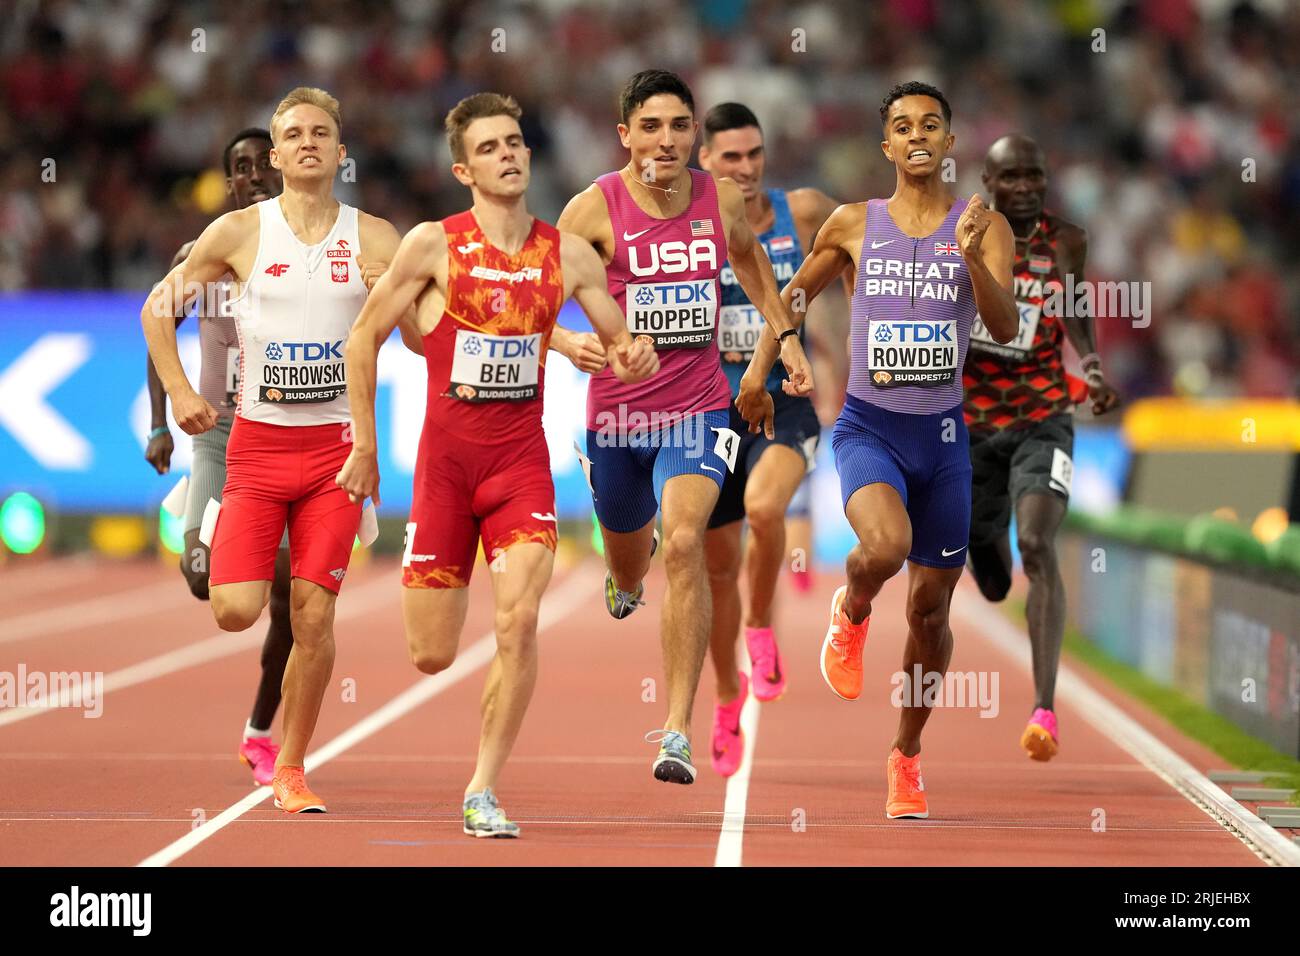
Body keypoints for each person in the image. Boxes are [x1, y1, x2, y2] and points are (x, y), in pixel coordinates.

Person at [336, 93, 658, 837]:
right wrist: (363, 444)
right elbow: (360, 340)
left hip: (520, 467)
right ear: (462, 169)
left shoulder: (569, 255)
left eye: (515, 142)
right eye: (490, 148)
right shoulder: (431, 245)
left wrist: (631, 354)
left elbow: (622, 346)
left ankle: (482, 788)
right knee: (431, 654)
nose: (509, 154)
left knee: (517, 622)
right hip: (444, 472)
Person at [738, 81, 1019, 818]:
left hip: (945, 441)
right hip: (870, 427)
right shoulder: (852, 224)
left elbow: (1005, 324)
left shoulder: (982, 225)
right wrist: (761, 369)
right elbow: (789, 298)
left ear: (950, 143)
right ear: (887, 145)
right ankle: (854, 605)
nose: (918, 134)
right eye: (902, 125)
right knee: (886, 547)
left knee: (931, 612)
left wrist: (975, 263)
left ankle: (906, 756)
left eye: (932, 123)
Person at [141, 87, 416, 813]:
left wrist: (397, 301)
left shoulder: (376, 237)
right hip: (255, 452)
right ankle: (273, 730)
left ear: (339, 151)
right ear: (277, 149)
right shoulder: (237, 233)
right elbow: (156, 310)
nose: (306, 143)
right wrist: (180, 395)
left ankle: (291, 767)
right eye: (291, 134)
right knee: (231, 608)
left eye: (320, 132)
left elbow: (422, 333)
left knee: (313, 616)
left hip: (336, 455)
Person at [557, 70, 813, 784]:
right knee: (631, 563)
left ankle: (675, 730)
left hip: (700, 405)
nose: (665, 140)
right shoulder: (593, 208)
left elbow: (752, 263)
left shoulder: (718, 197)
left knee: (685, 542)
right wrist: (564, 342)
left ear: (693, 133)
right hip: (617, 413)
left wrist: (786, 338)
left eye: (678, 126)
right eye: (651, 127)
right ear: (625, 135)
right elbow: (534, 287)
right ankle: (620, 573)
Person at [695, 102, 845, 776]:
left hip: (785, 406)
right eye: (731, 157)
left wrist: (853, 344)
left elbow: (869, 251)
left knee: (765, 509)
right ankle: (727, 698)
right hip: (708, 411)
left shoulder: (806, 211)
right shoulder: (686, 223)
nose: (747, 168)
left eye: (754, 154)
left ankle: (762, 625)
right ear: (705, 162)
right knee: (715, 572)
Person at [143, 128, 293, 786]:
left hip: (292, 441)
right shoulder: (197, 255)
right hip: (216, 438)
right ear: (228, 181)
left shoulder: (311, 255)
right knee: (203, 577)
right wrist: (161, 421)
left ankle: (261, 729)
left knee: (294, 608)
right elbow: (158, 328)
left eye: (265, 164)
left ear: (285, 169)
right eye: (241, 167)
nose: (255, 174)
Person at [963, 134, 1121, 761]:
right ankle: (986, 541)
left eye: (1035, 176)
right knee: (994, 579)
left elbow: (1075, 310)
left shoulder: (1067, 239)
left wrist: (1095, 369)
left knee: (1037, 543)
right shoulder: (966, 233)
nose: (1025, 187)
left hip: (1043, 415)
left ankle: (1044, 708)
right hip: (972, 425)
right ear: (987, 180)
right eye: (1012, 178)